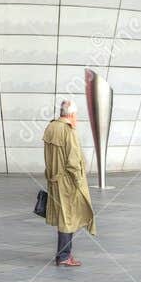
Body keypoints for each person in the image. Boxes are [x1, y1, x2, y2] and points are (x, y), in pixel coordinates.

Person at [43, 99, 96, 266]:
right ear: (72, 114)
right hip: (67, 182)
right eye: (76, 115)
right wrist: (79, 182)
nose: (77, 118)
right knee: (68, 218)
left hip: (54, 180)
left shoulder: (51, 127)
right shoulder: (69, 131)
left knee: (64, 216)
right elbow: (73, 161)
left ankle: (64, 255)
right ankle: (64, 256)